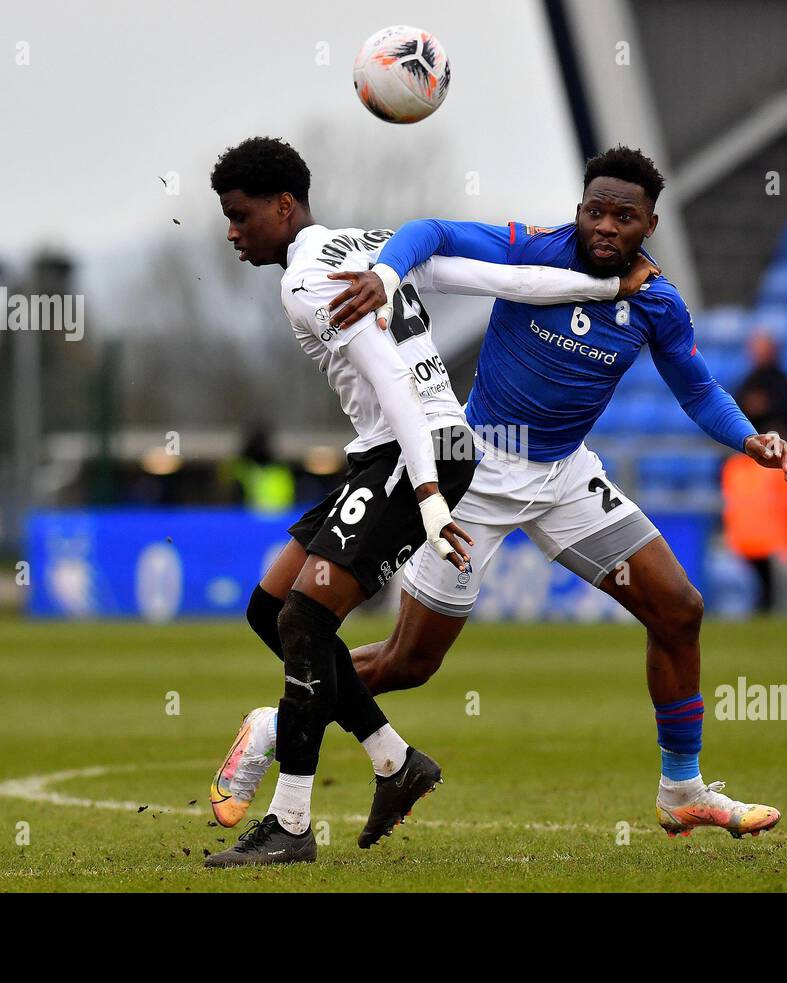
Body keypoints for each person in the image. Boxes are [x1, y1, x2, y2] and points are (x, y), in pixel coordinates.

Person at [325, 146, 787, 840]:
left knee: (678, 609)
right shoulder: (532, 251)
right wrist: (384, 271)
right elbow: (430, 230)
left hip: (563, 475)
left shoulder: (657, 303)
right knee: (409, 662)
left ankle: (682, 788)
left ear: (650, 223)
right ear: (579, 209)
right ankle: (278, 722)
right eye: (595, 210)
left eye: (624, 216)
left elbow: (697, 389)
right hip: (477, 470)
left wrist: (750, 438)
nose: (605, 226)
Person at [203, 136, 646, 867]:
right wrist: (603, 289)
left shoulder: (305, 279)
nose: (231, 231)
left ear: (284, 207)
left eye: (240, 215)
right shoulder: (370, 245)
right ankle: (393, 758)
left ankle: (290, 823)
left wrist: (432, 498)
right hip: (395, 452)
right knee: (270, 608)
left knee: (304, 616)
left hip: (417, 452)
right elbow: (499, 277)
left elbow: (391, 378)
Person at [721, 454, 787, 612]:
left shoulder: (733, 466)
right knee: (767, 592)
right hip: (766, 540)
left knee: (764, 590)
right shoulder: (776, 464)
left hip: (749, 539)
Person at [736, 330, 787, 434]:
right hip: (749, 436)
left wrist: (764, 406)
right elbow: (737, 404)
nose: (759, 353)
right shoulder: (749, 379)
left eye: (763, 349)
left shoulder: (783, 380)